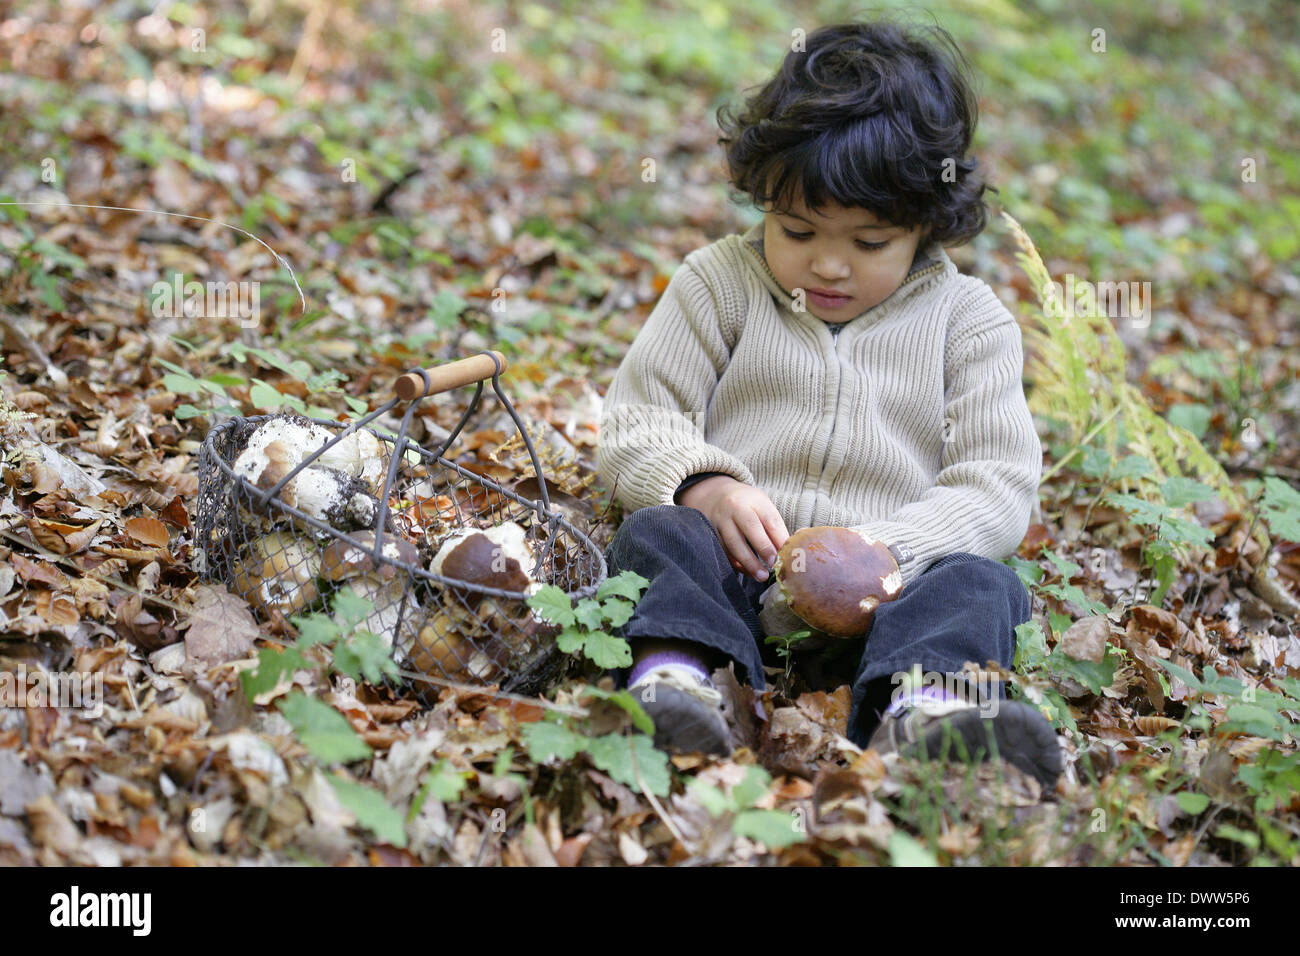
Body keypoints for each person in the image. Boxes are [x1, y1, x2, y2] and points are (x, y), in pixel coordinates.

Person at [595, 18, 1062, 788]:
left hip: (893, 595)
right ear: (762, 201)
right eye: (798, 230)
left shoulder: (968, 322)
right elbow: (636, 419)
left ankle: (929, 711)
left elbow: (997, 482)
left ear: (927, 224)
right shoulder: (719, 285)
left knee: (983, 586)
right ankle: (682, 679)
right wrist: (703, 486)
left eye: (871, 243)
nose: (830, 265)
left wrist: (891, 552)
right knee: (659, 534)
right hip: (739, 572)